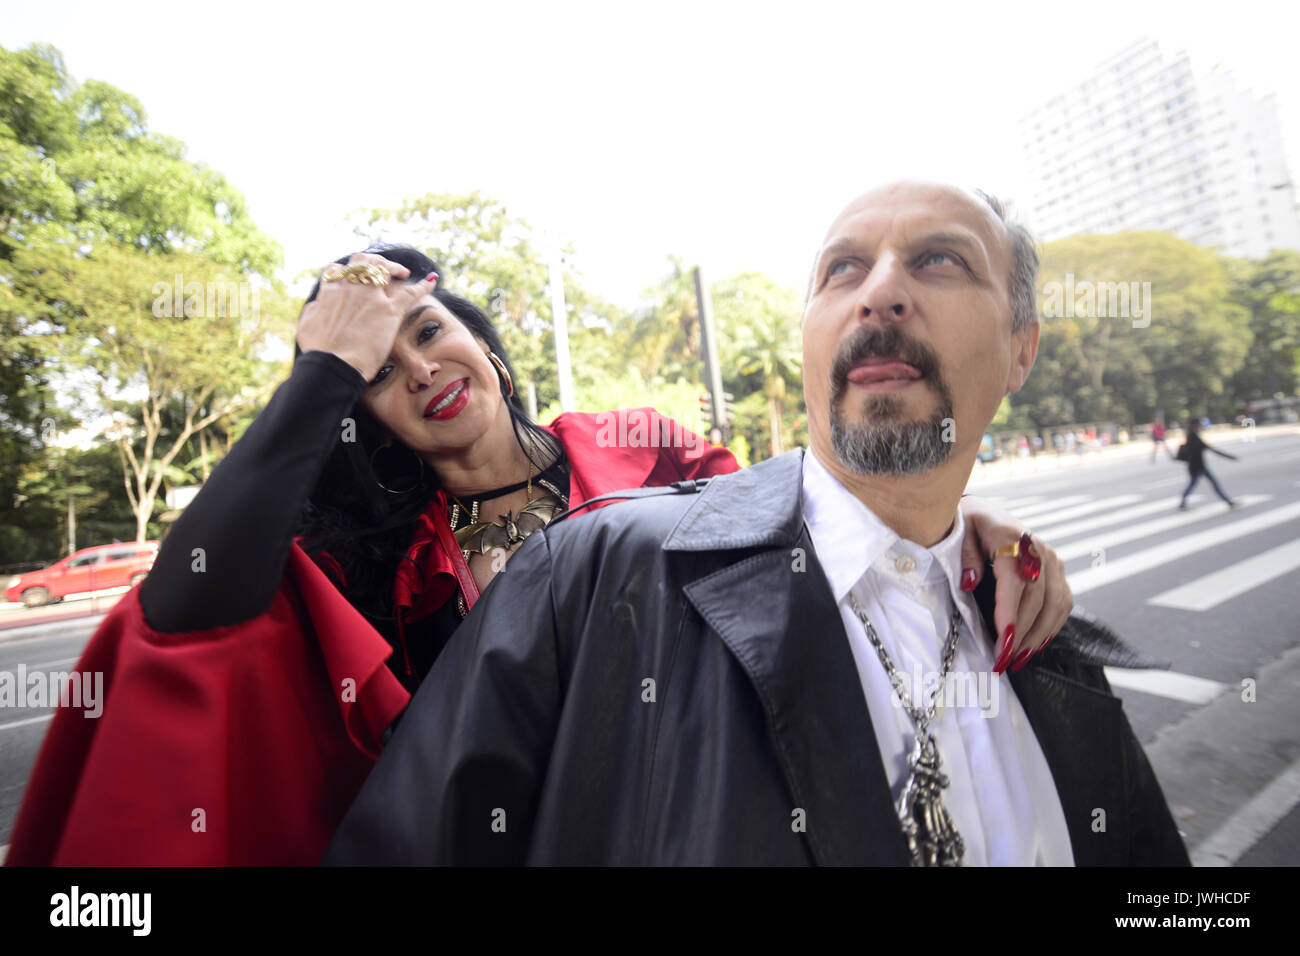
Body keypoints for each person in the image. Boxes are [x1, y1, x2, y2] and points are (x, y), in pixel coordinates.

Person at [7, 245, 1066, 866]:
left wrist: (961, 531)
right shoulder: (379, 579)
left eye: (430, 328)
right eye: (379, 368)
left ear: (484, 342)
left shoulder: (655, 457)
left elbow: (825, 527)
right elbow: (184, 616)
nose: (419, 368)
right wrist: (323, 363)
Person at [326, 183, 1189, 866]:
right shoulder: (527, 567)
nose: (882, 291)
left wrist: (947, 525)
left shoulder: (1041, 637)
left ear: (1020, 349)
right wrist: (319, 377)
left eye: (939, 262)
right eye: (843, 270)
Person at [1177, 417, 1237, 509]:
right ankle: (1228, 501)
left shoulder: (1191, 436)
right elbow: (1211, 449)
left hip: (1196, 467)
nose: (1201, 426)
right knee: (1211, 484)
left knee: (1199, 484)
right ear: (1196, 425)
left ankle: (1228, 501)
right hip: (1198, 467)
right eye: (1199, 424)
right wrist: (1229, 457)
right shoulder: (1194, 438)